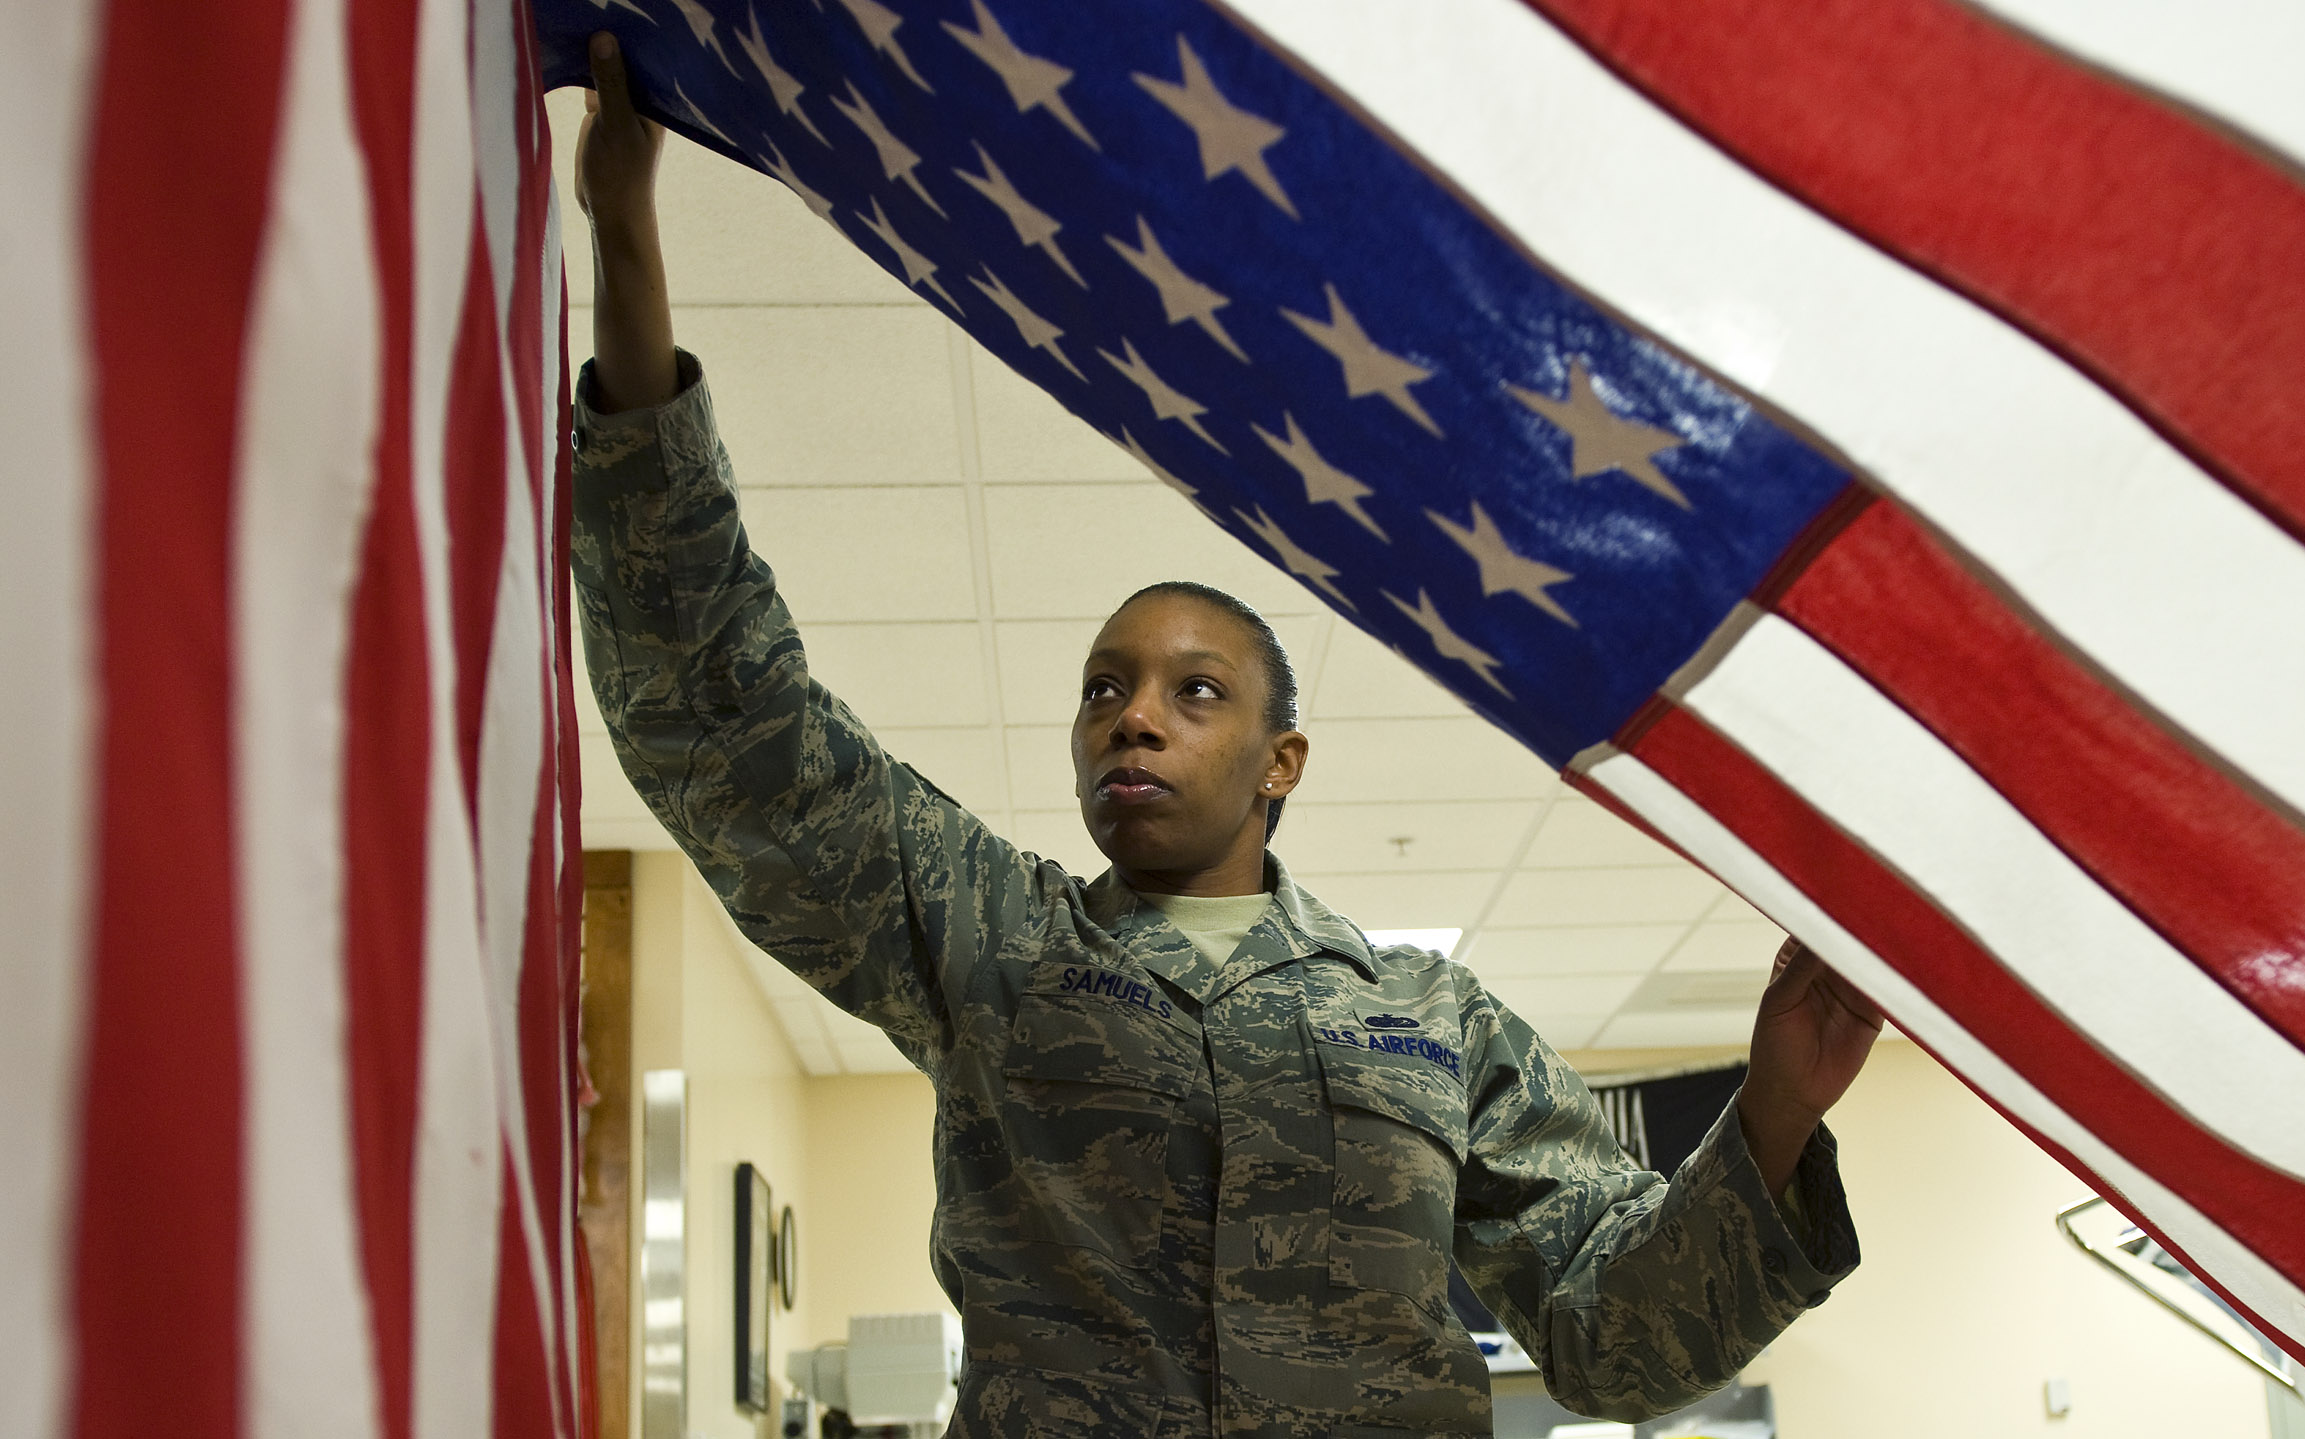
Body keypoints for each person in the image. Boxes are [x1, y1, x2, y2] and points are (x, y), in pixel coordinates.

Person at [570, 32, 1877, 1438]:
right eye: (1102, 687)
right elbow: (728, 713)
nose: (1133, 713)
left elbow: (1611, 1341)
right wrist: (628, 256)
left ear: (1281, 763)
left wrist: (1771, 1119)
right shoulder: (991, 942)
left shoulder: (1433, 1026)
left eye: (1196, 692)